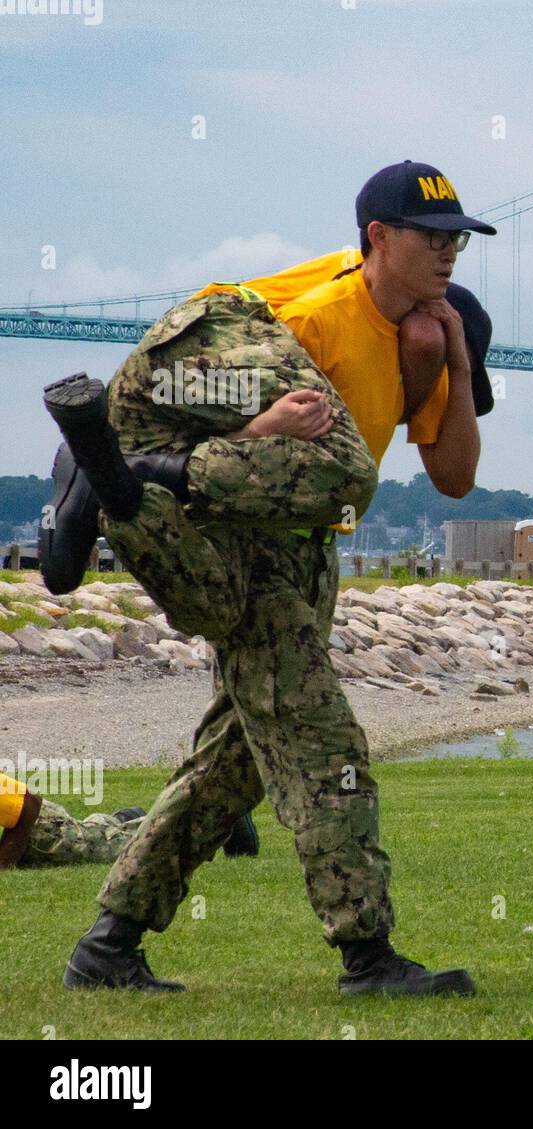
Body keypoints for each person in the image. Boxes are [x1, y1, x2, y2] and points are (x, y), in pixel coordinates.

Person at [48, 161, 495, 994]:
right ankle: (368, 957)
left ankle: (105, 949)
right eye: (432, 237)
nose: (448, 252)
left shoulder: (429, 335)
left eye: (457, 239)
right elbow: (190, 387)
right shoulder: (316, 316)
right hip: (195, 359)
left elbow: (457, 477)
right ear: (377, 239)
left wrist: (461, 362)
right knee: (326, 746)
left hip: (289, 536)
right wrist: (197, 449)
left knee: (233, 764)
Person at [0, 772, 257, 869]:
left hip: (44, 837)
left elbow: (28, 803)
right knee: (92, 835)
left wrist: (5, 863)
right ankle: (121, 821)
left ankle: (216, 812)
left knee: (147, 848)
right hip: (45, 829)